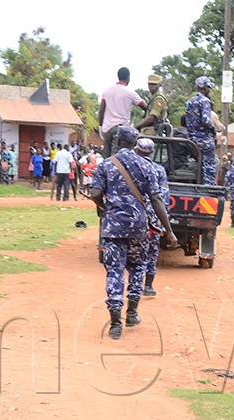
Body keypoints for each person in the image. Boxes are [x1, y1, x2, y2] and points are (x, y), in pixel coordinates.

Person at [89, 126, 170, 340]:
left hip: (113, 226)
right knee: (137, 267)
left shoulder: (106, 165)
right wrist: (168, 230)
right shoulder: (146, 165)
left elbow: (95, 192)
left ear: (116, 142)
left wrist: (102, 206)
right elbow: (156, 199)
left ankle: (115, 324)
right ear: (135, 143)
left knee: (114, 271)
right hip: (139, 227)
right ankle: (132, 313)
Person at [134, 137, 173, 297]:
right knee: (151, 251)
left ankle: (134, 286)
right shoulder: (158, 170)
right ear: (151, 151)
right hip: (154, 219)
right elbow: (163, 196)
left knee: (135, 252)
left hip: (134, 217)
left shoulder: (131, 167)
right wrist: (165, 221)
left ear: (137, 149)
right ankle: (148, 285)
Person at [98, 67, 147, 158]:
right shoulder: (130, 93)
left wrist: (100, 126)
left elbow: (101, 111)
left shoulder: (107, 90)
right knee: (116, 159)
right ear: (128, 78)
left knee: (106, 158)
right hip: (120, 130)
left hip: (107, 129)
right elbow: (145, 107)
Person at [185, 76, 218, 186]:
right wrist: (213, 129)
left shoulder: (189, 102)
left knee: (197, 163)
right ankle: (209, 188)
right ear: (205, 88)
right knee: (209, 165)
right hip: (204, 140)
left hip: (191, 140)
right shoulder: (205, 101)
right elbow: (206, 120)